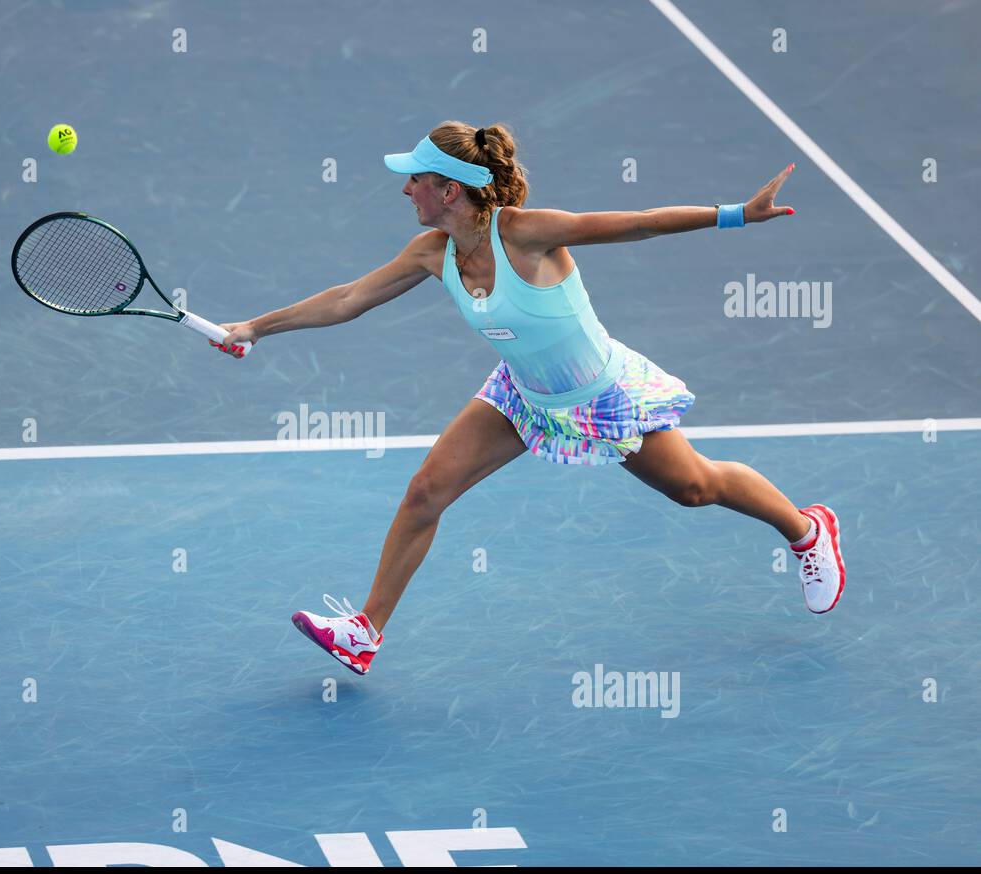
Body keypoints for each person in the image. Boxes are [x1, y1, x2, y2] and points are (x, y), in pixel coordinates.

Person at [212, 121, 845, 676]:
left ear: (450, 190)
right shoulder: (433, 252)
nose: (406, 190)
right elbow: (349, 297)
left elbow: (637, 225)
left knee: (695, 488)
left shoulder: (527, 234)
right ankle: (365, 631)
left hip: (600, 395)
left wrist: (738, 212)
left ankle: (806, 530)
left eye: (417, 180)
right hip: (521, 395)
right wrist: (256, 328)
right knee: (425, 492)